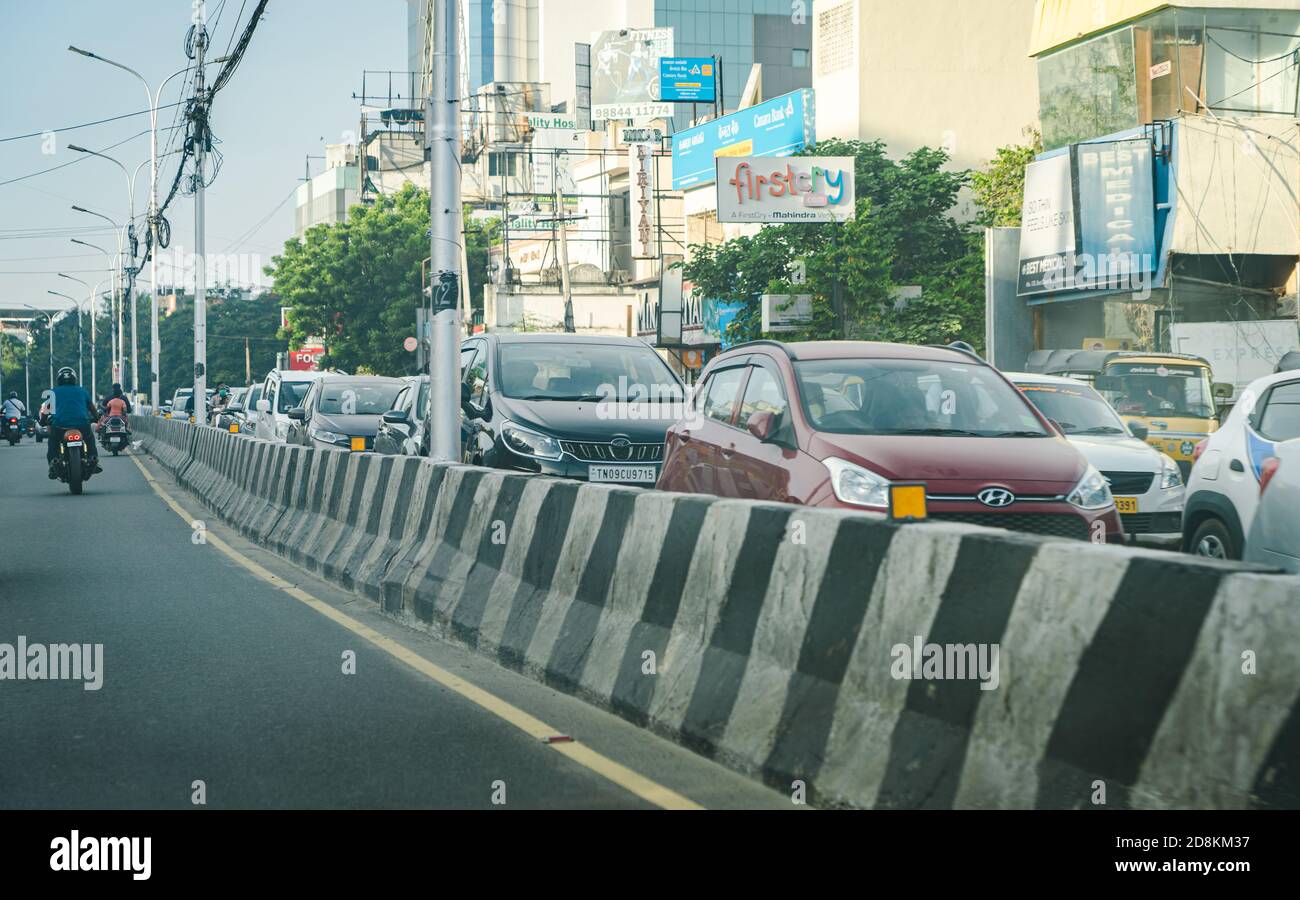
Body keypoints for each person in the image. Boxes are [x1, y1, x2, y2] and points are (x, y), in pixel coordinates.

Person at [45, 367, 101, 477]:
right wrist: (97, 418)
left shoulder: (52, 392)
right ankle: (92, 458)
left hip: (60, 426)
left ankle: (53, 462)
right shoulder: (82, 391)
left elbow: (45, 412)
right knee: (89, 438)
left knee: (53, 440)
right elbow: (92, 409)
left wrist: (43, 421)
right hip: (82, 425)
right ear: (74, 378)